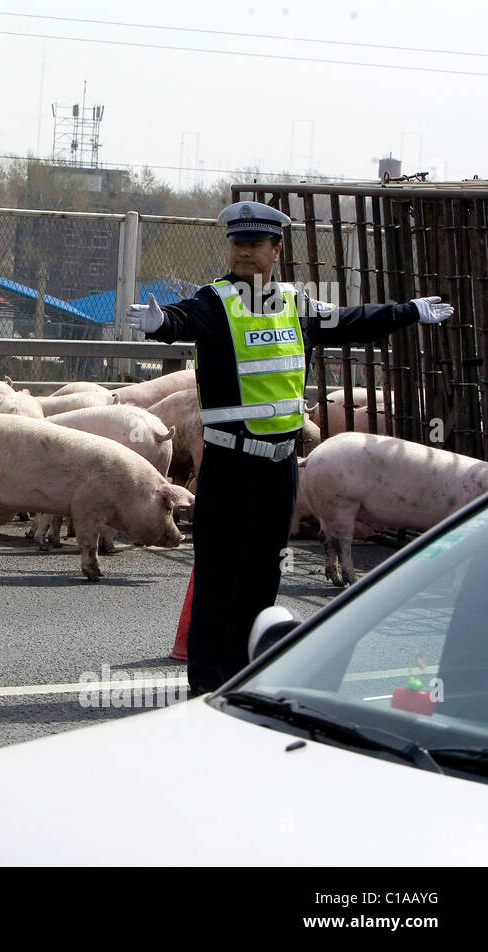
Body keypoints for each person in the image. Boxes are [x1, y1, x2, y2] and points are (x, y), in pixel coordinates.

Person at [127, 200, 454, 694]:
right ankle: (207, 683)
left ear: (276, 249)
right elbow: (181, 321)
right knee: (219, 575)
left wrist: (408, 312)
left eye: (256, 245)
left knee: (262, 576)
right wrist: (161, 326)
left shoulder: (295, 303)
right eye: (238, 245)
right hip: (232, 464)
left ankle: (246, 677)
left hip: (279, 469)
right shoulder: (214, 302)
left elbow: (350, 320)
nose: (245, 254)